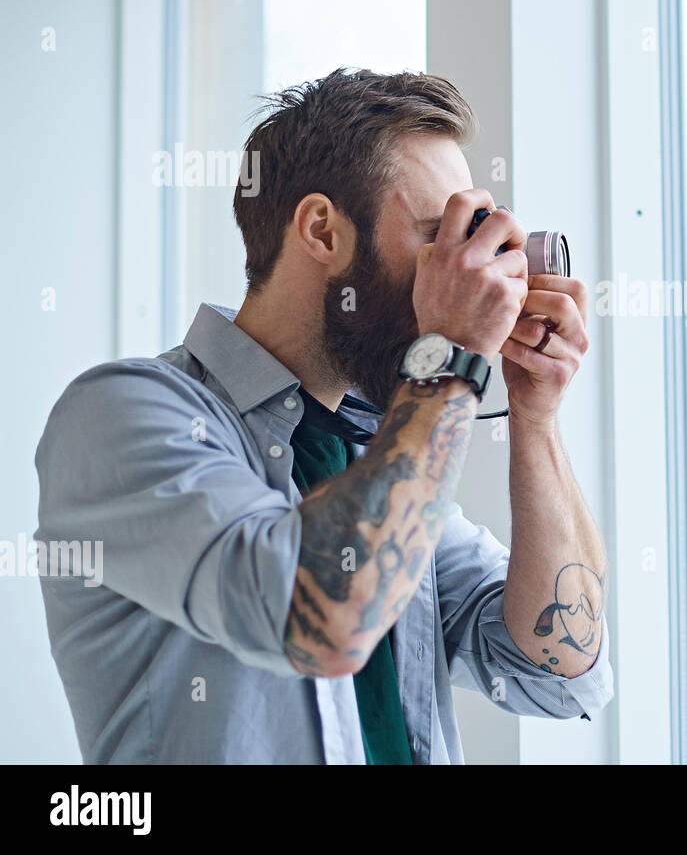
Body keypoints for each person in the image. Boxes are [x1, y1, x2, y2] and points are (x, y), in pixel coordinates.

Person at [34, 68, 612, 764]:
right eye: (438, 237)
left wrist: (535, 412)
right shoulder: (125, 415)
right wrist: (453, 355)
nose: (461, 274)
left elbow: (558, 667)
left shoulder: (378, 448)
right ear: (320, 230)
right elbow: (319, 620)